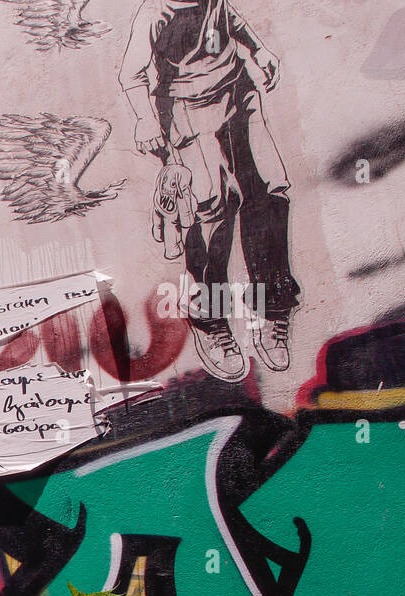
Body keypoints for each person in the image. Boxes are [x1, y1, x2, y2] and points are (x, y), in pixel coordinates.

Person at [120, 0, 300, 381]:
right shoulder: (157, 11)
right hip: (186, 108)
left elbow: (230, 18)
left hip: (238, 92)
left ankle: (273, 307)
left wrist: (258, 48)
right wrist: (143, 120)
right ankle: (209, 320)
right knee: (211, 211)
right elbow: (130, 74)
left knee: (269, 191)